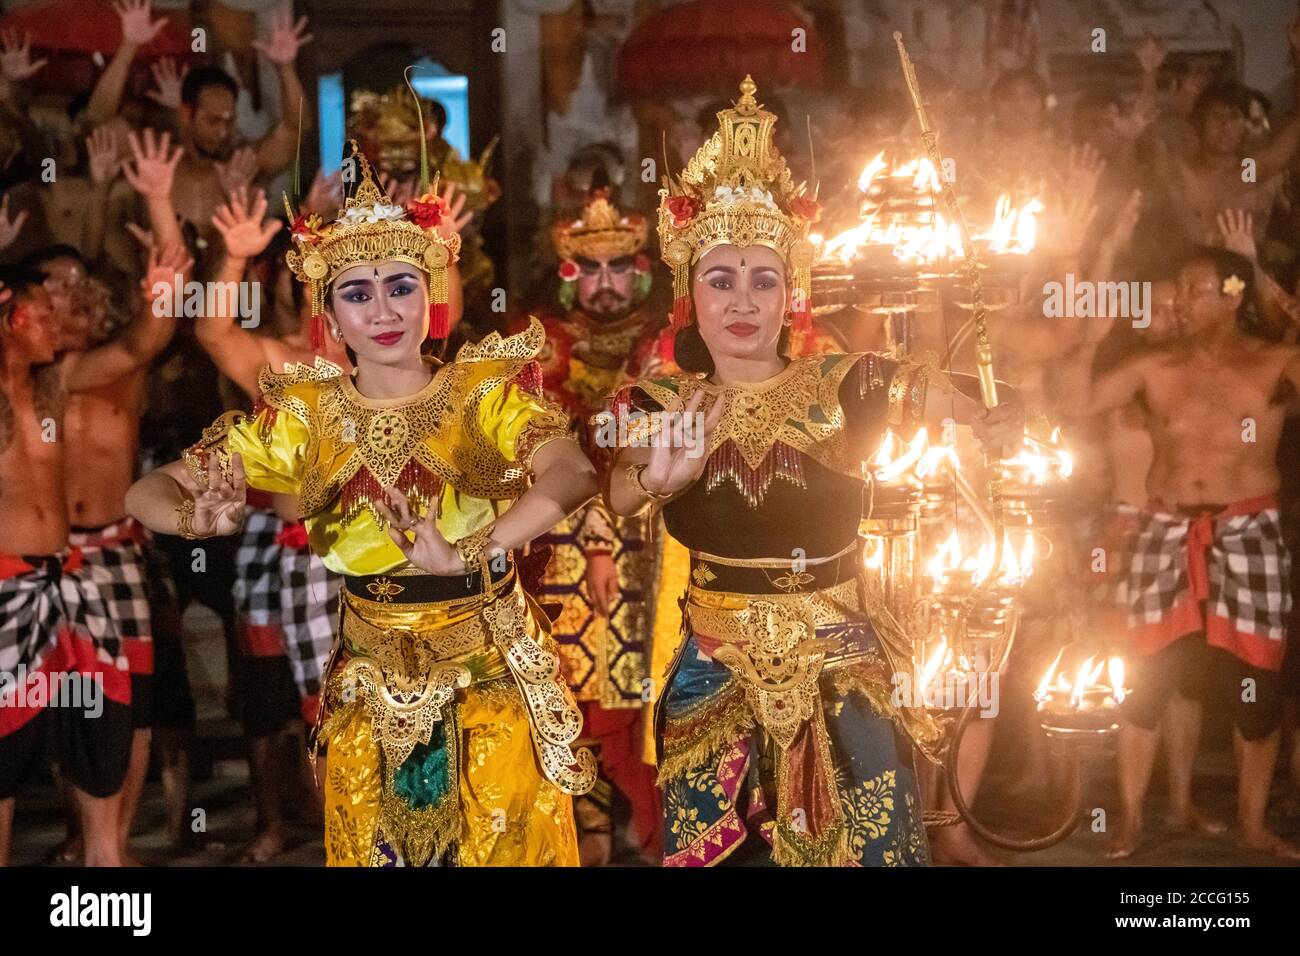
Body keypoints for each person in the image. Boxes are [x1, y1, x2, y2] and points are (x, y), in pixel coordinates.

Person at [126, 142, 597, 866]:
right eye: (357, 292)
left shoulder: (479, 397)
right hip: (367, 686)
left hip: (488, 676)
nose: (383, 311)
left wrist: (477, 549)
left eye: (400, 286)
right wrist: (196, 516)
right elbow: (147, 490)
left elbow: (569, 471)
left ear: (430, 296)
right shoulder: (308, 419)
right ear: (330, 317)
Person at [605, 78, 1026, 866]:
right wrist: (663, 477)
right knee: (712, 852)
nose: (742, 300)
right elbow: (620, 491)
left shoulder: (845, 384)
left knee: (867, 846)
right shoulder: (663, 400)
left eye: (763, 280)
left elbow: (939, 389)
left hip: (839, 655)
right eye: (719, 280)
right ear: (689, 295)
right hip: (714, 656)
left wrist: (989, 416)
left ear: (790, 292)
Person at [1070, 247, 1300, 860]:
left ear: (1232, 296)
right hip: (1163, 530)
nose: (1179, 301)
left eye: (1195, 290)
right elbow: (1074, 404)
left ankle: (1252, 826)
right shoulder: (1154, 367)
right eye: (1178, 291)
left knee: (1257, 684)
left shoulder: (1276, 362)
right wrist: (1091, 341)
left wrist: (1285, 310)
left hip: (1248, 533)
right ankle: (1129, 821)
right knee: (1145, 681)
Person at [0, 250, 184, 867]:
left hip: (71, 582)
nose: (58, 323)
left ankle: (107, 867)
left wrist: (161, 293)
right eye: (43, 313)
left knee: (104, 720)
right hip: (8, 591)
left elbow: (136, 349)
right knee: (4, 752)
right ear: (9, 315)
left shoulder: (57, 383)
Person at [522, 177, 663, 862]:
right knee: (575, 689)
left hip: (657, 538)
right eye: (592, 268)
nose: (605, 283)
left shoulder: (666, 343)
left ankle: (663, 826)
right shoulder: (544, 344)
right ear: (571, 276)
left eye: (618, 267)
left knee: (651, 689)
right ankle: (589, 830)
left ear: (637, 274)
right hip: (569, 541)